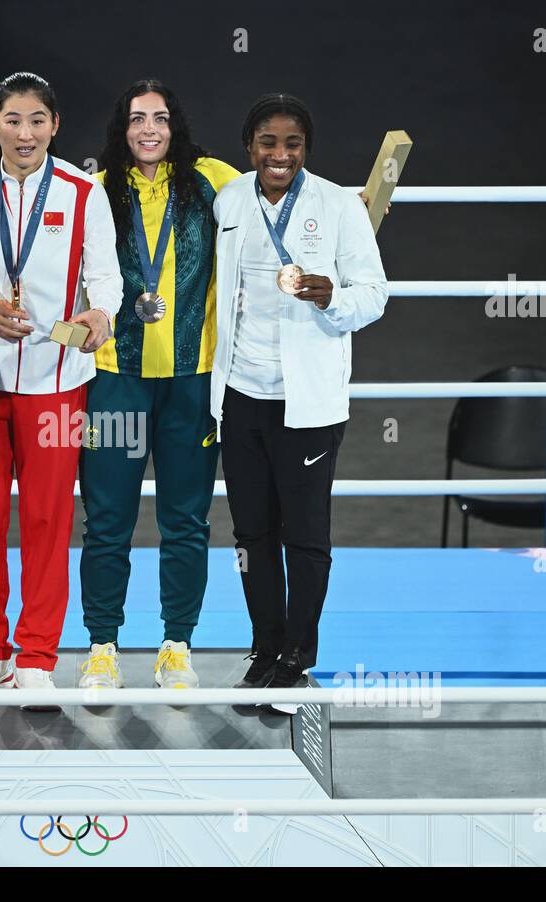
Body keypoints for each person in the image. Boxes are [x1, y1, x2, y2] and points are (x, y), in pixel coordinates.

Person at [0, 72, 122, 700]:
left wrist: (101, 315)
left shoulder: (81, 190)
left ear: (55, 126)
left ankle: (39, 655)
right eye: (13, 119)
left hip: (60, 379)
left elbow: (107, 276)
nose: (25, 132)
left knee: (49, 518)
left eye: (37, 120)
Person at [210, 94, 387, 709]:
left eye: (291, 143)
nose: (279, 154)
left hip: (306, 403)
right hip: (239, 394)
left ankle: (297, 655)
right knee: (251, 532)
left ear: (306, 149)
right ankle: (263, 648)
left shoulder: (339, 205)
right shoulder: (229, 200)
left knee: (305, 536)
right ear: (249, 146)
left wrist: (329, 296)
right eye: (267, 142)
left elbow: (374, 294)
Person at [77, 79, 240, 690]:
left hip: (191, 381)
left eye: (161, 118)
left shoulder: (214, 179)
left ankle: (177, 645)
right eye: (138, 118)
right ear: (122, 128)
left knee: (186, 519)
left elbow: (282, 200)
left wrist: (349, 203)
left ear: (177, 125)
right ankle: (101, 647)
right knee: (108, 518)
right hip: (117, 379)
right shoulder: (95, 191)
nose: (150, 129)